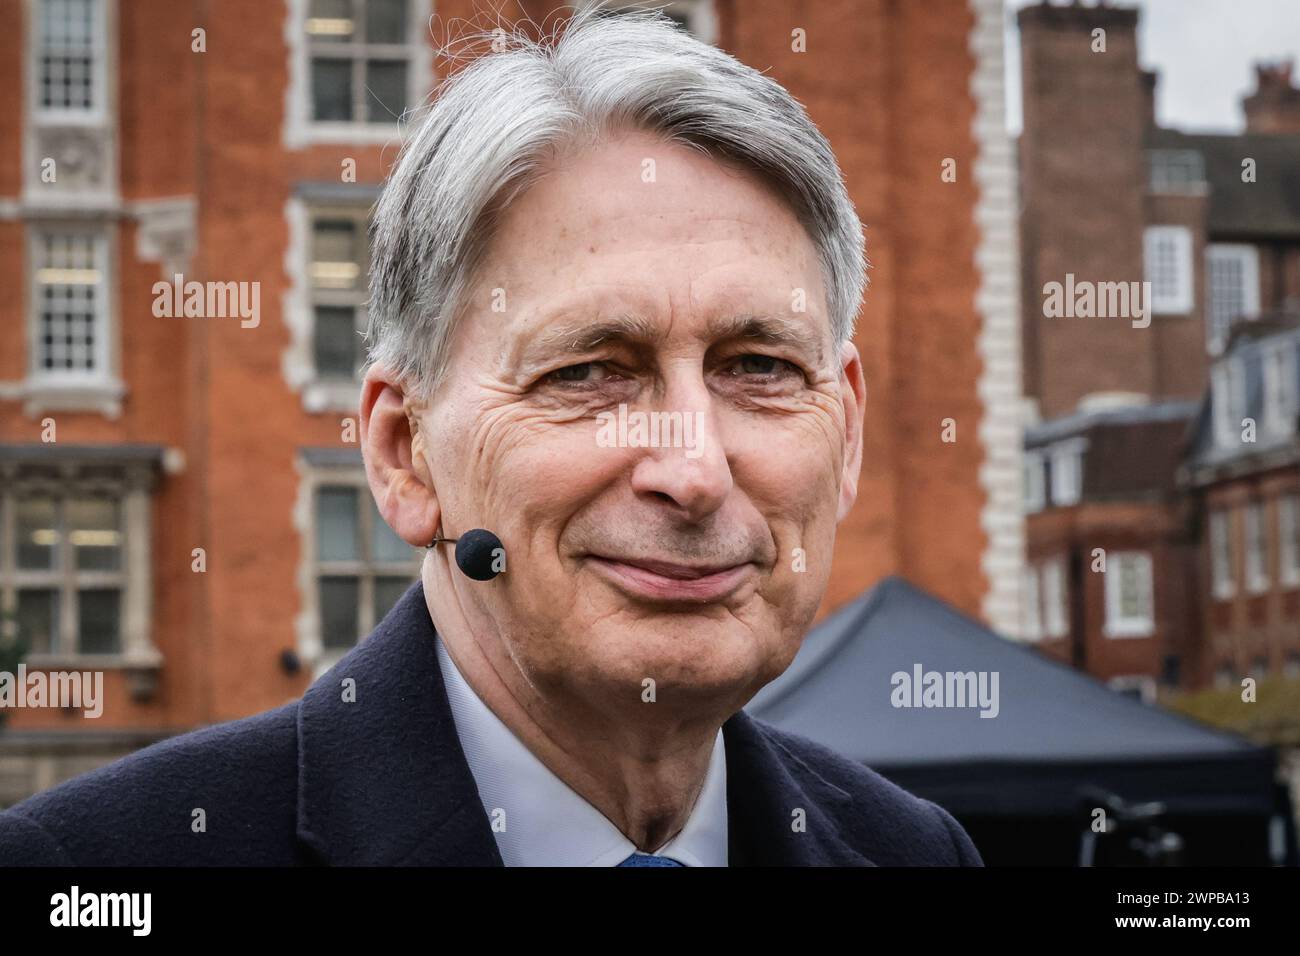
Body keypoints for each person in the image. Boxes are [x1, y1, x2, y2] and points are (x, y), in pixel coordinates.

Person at [0, 8, 981, 867]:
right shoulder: (98, 866)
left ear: (845, 430)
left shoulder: (916, 851)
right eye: (589, 372)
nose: (693, 466)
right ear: (402, 452)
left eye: (759, 367)